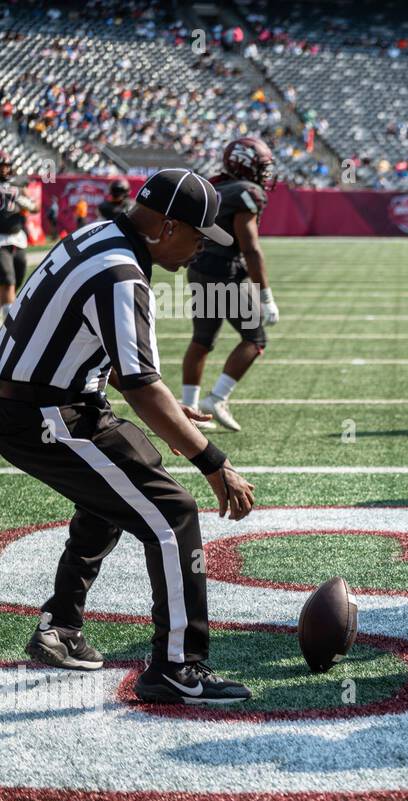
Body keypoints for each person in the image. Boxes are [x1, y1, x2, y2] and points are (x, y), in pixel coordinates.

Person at [0, 168, 256, 703]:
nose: (199, 250)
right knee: (173, 513)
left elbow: (122, 368)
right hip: (42, 411)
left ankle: (61, 624)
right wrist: (213, 461)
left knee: (127, 479)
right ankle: (177, 667)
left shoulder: (101, 236)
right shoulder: (120, 272)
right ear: (165, 225)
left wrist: (177, 414)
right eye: (198, 235)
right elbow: (139, 386)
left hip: (55, 400)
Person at [181, 136, 279, 433]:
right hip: (224, 272)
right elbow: (250, 248)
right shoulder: (246, 192)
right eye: (262, 168)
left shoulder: (215, 186)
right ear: (246, 166)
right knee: (255, 339)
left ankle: (189, 408)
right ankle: (217, 399)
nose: (266, 175)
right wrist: (266, 295)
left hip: (199, 267)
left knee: (202, 341)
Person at [0, 150, 38, 315]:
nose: (4, 169)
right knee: (8, 278)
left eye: (6, 166)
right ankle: (9, 319)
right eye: (1, 166)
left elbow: (35, 207)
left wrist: (28, 204)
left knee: (20, 271)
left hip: (17, 237)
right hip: (0, 238)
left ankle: (6, 303)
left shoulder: (19, 184)